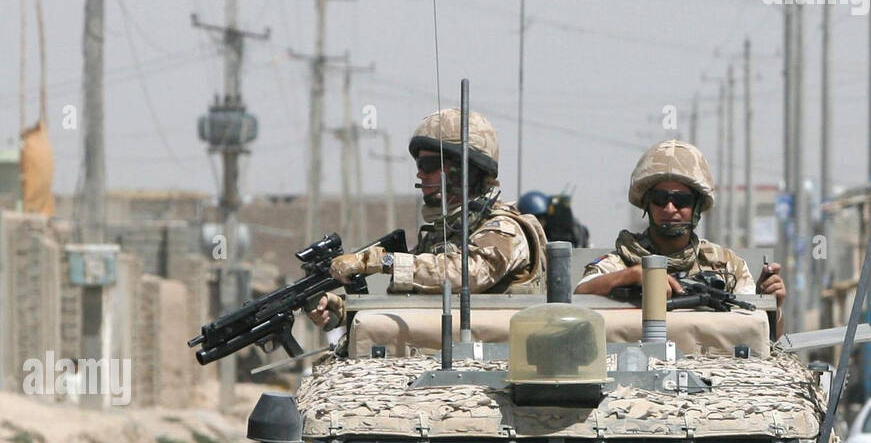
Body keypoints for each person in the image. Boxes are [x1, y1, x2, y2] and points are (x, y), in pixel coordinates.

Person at [309, 108, 547, 328]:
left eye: (430, 164)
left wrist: (381, 261)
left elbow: (463, 275)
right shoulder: (444, 233)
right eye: (419, 164)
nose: (420, 173)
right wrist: (343, 308)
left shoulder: (504, 229)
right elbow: (411, 297)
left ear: (465, 169)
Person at [575, 139, 786, 332]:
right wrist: (632, 276)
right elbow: (580, 294)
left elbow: (762, 336)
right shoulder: (622, 260)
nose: (669, 208)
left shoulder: (725, 265)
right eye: (659, 198)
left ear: (696, 207)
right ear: (647, 204)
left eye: (681, 200)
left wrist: (768, 303)